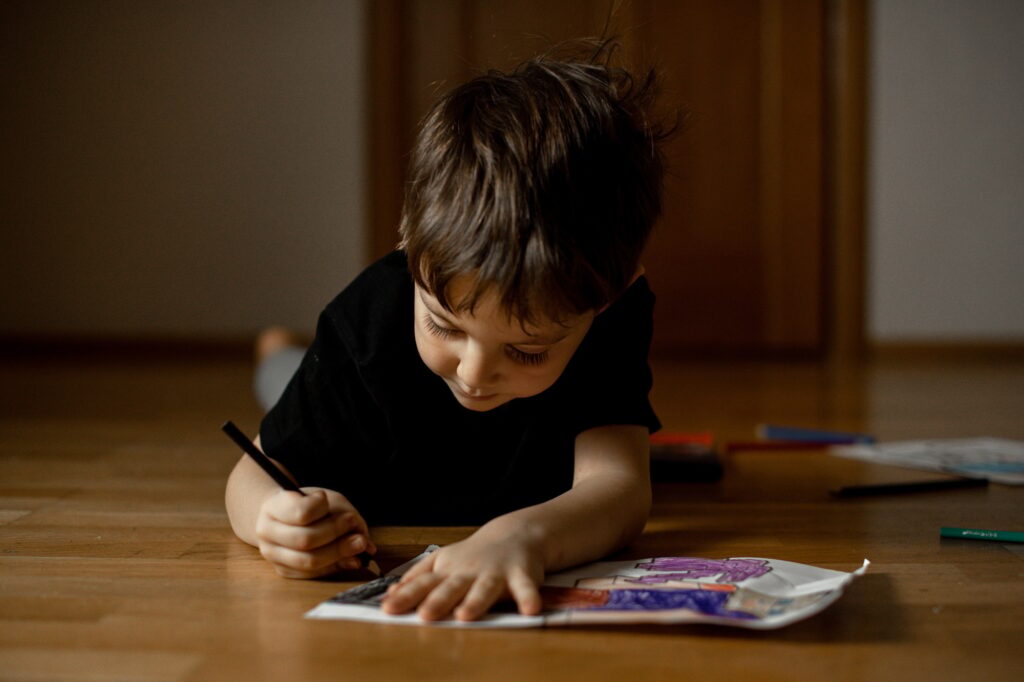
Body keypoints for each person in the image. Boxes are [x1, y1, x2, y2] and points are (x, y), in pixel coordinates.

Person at [225, 40, 670, 622]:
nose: (474, 372)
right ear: (409, 243)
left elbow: (621, 487)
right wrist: (272, 520)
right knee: (283, 375)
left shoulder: (605, 308)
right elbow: (252, 474)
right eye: (443, 324)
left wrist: (522, 536)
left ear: (609, 297)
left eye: (527, 350)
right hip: (350, 406)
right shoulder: (366, 325)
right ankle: (278, 347)